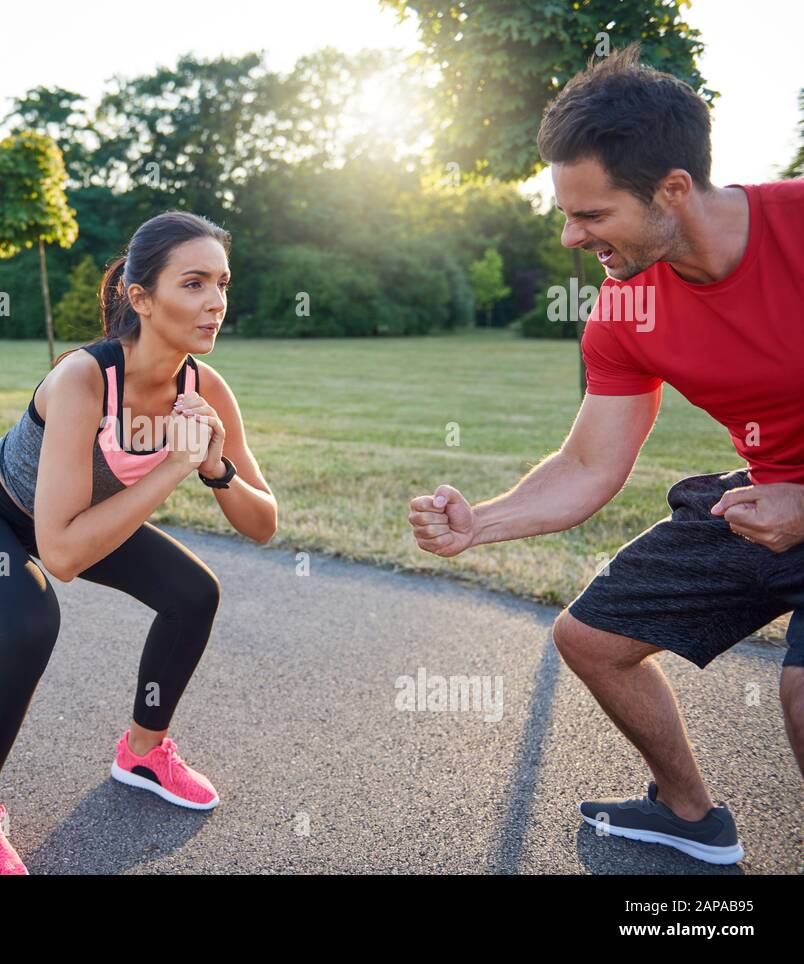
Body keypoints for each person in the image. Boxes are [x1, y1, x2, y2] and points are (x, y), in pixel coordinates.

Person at [408, 44, 804, 865]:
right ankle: (688, 815)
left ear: (673, 189)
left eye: (590, 216)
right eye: (565, 212)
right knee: (591, 637)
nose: (569, 235)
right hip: (770, 506)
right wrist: (476, 525)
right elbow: (589, 463)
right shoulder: (626, 309)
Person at [0, 210, 277, 874]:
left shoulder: (207, 389)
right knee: (29, 621)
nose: (217, 303)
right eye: (194, 284)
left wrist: (215, 467)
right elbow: (59, 556)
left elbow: (263, 525)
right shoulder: (84, 379)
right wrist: (174, 464)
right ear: (140, 298)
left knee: (194, 593)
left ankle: (143, 750)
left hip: (76, 517)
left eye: (222, 284)